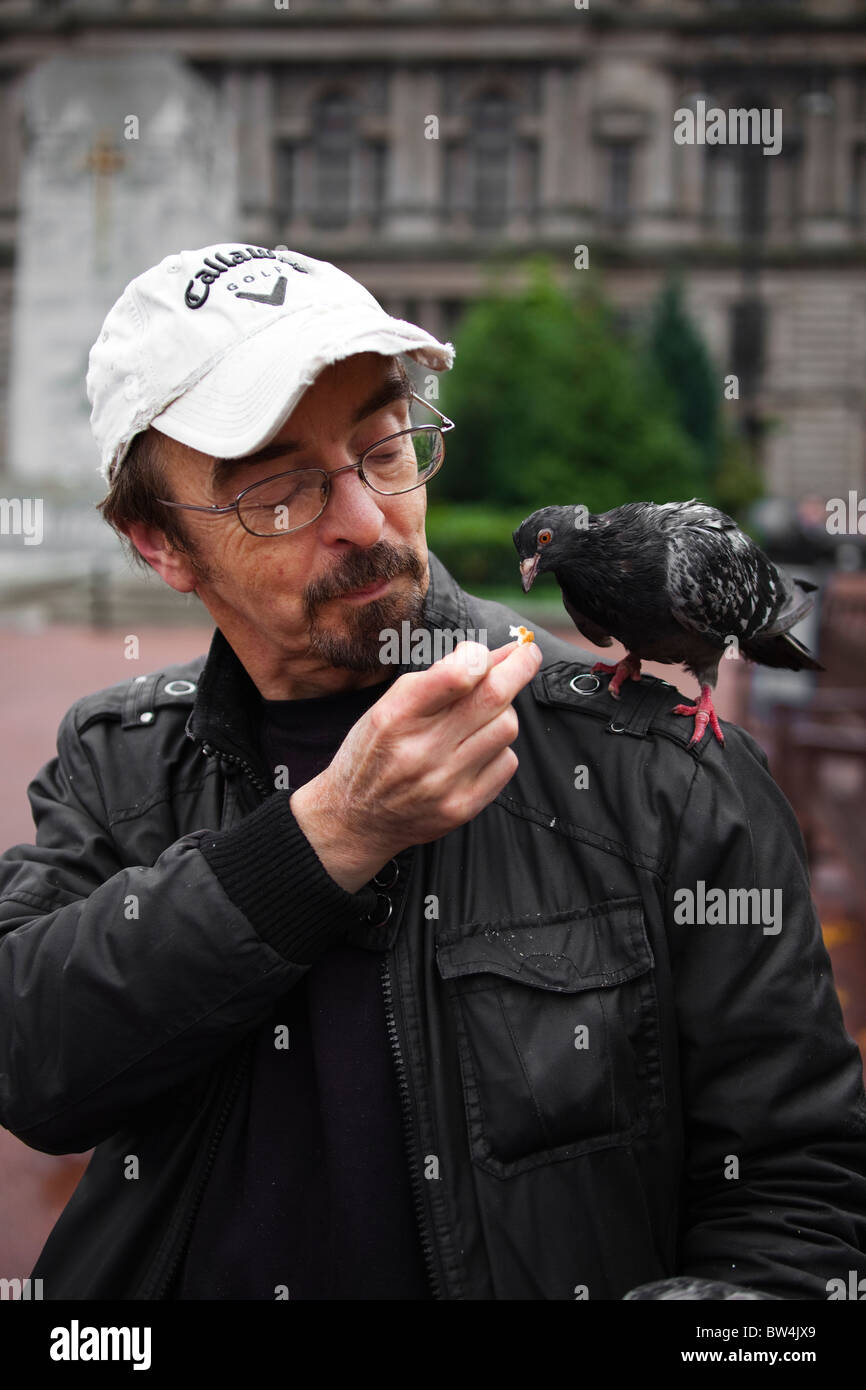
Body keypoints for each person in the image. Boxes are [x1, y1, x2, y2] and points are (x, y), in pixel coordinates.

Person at [1, 242, 865, 1302]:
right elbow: (33, 1062)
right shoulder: (119, 754)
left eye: (384, 445)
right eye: (278, 490)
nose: (367, 520)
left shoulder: (655, 769)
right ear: (159, 543)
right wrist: (323, 839)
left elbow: (798, 1195)